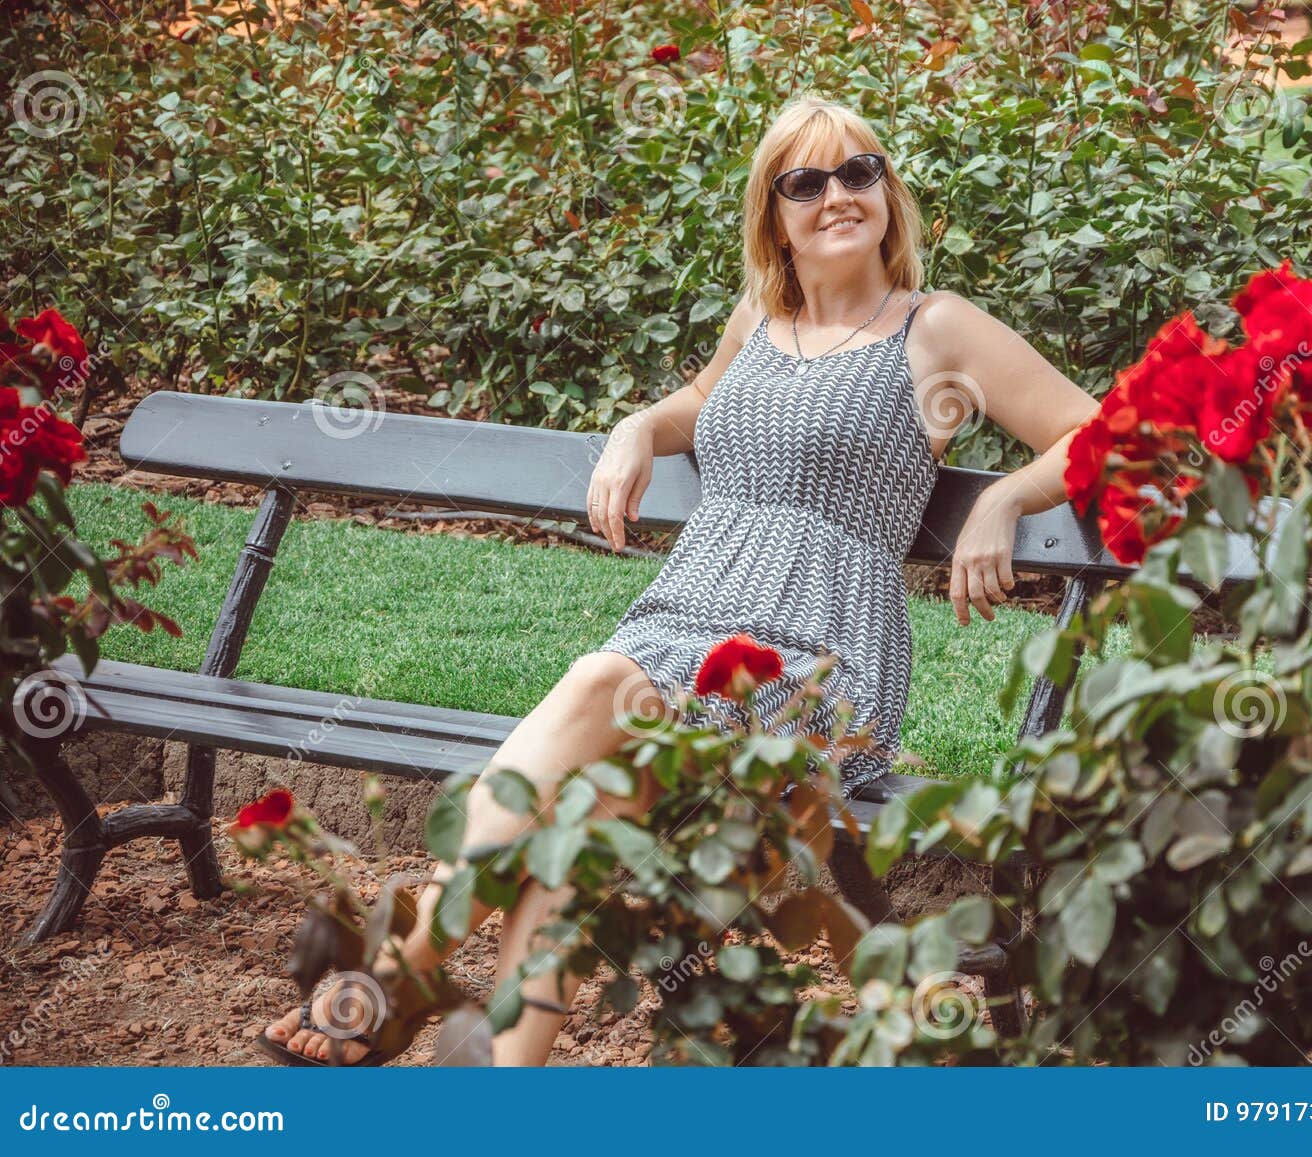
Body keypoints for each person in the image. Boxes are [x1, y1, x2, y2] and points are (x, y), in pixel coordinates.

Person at [257, 93, 1100, 1066]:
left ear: (887, 190)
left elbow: (1101, 425)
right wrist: (635, 427)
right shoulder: (761, 318)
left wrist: (1006, 498)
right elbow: (696, 402)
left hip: (812, 660)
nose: (838, 195)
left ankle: (398, 969)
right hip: (678, 624)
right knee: (581, 825)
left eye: (858, 170)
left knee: (593, 685)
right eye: (806, 181)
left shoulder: (936, 327)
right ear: (773, 215)